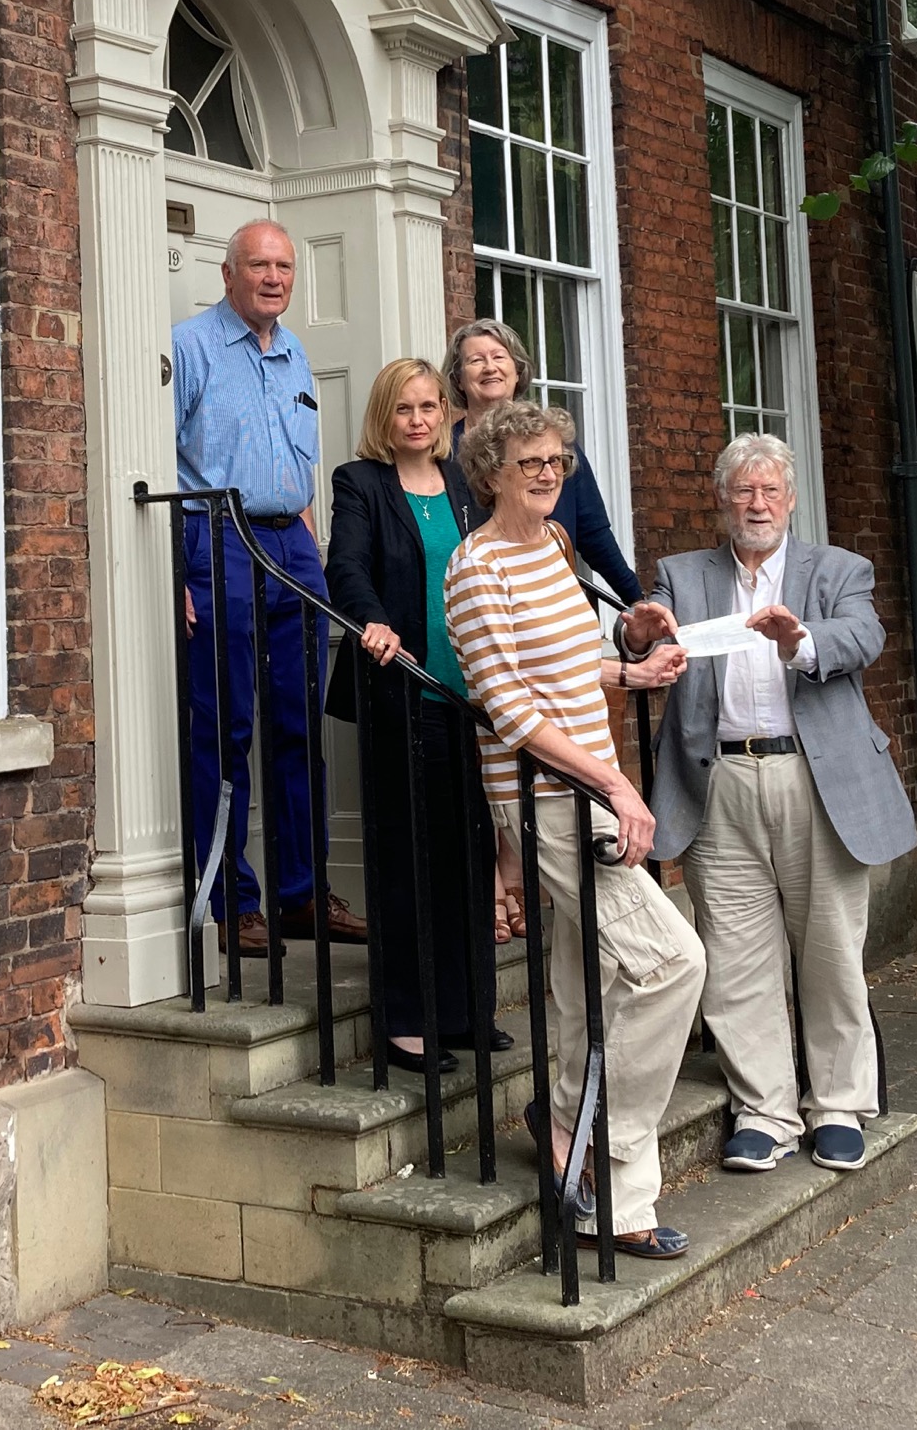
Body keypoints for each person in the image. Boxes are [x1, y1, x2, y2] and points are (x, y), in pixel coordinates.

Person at [621, 433, 917, 1175]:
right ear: (721, 500)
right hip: (718, 781)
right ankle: (764, 1112)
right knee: (734, 958)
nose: (757, 503)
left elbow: (864, 636)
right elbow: (643, 639)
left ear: (790, 499)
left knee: (830, 953)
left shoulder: (838, 570)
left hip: (815, 781)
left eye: (769, 491)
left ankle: (838, 1105)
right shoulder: (681, 574)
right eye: (743, 490)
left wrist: (801, 640)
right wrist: (637, 634)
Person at [444, 400, 699, 1260]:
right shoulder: (475, 569)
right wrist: (616, 785)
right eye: (531, 462)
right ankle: (587, 1139)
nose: (549, 473)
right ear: (491, 474)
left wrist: (631, 673)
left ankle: (590, 1161)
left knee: (587, 982)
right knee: (672, 963)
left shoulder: (555, 545)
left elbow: (569, 665)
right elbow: (509, 709)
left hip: (585, 784)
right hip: (551, 796)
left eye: (557, 460)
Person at [174, 221, 367, 951]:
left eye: (284, 266)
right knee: (226, 725)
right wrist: (175, 572)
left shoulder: (295, 353)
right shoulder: (188, 348)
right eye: (258, 265)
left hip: (293, 541)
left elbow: (296, 462)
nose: (274, 278)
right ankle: (232, 901)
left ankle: (301, 894)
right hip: (217, 538)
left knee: (300, 726)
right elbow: (157, 461)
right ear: (228, 274)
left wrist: (310, 544)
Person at [325, 360, 510, 1069]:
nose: (418, 420)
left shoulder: (465, 484)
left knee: (468, 855)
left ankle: (465, 1011)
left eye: (430, 407)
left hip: (472, 699)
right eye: (404, 408)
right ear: (385, 414)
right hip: (403, 690)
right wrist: (371, 619)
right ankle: (405, 1021)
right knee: (408, 860)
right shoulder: (360, 483)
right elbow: (346, 567)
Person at [444, 318, 655, 609]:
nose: (490, 367)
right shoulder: (444, 454)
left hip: (554, 600)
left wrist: (635, 598)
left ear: (518, 371)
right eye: (476, 360)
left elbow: (594, 533)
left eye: (499, 357)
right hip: (483, 600)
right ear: (458, 379)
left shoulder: (556, 446)